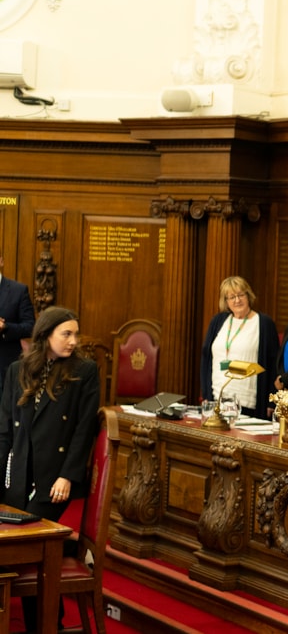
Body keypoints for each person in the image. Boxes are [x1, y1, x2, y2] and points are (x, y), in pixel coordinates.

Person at [0, 306, 100, 632]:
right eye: (65, 334)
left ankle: (44, 625)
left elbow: (84, 430)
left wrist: (68, 475)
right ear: (46, 335)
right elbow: (5, 431)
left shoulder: (85, 371)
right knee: (19, 549)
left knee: (31, 547)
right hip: (19, 473)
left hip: (56, 479)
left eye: (75, 334)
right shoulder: (17, 369)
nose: (73, 340)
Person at [201, 276, 279, 419]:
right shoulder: (218, 321)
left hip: (248, 402)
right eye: (231, 297)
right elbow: (206, 358)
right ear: (226, 302)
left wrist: (271, 402)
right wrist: (206, 394)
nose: (237, 300)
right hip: (217, 398)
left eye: (241, 295)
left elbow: (274, 364)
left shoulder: (263, 323)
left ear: (248, 296)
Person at [0, 255, 36, 395]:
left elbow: (30, 327)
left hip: (4, 369)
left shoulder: (18, 291)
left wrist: (5, 327)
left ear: (1, 261)